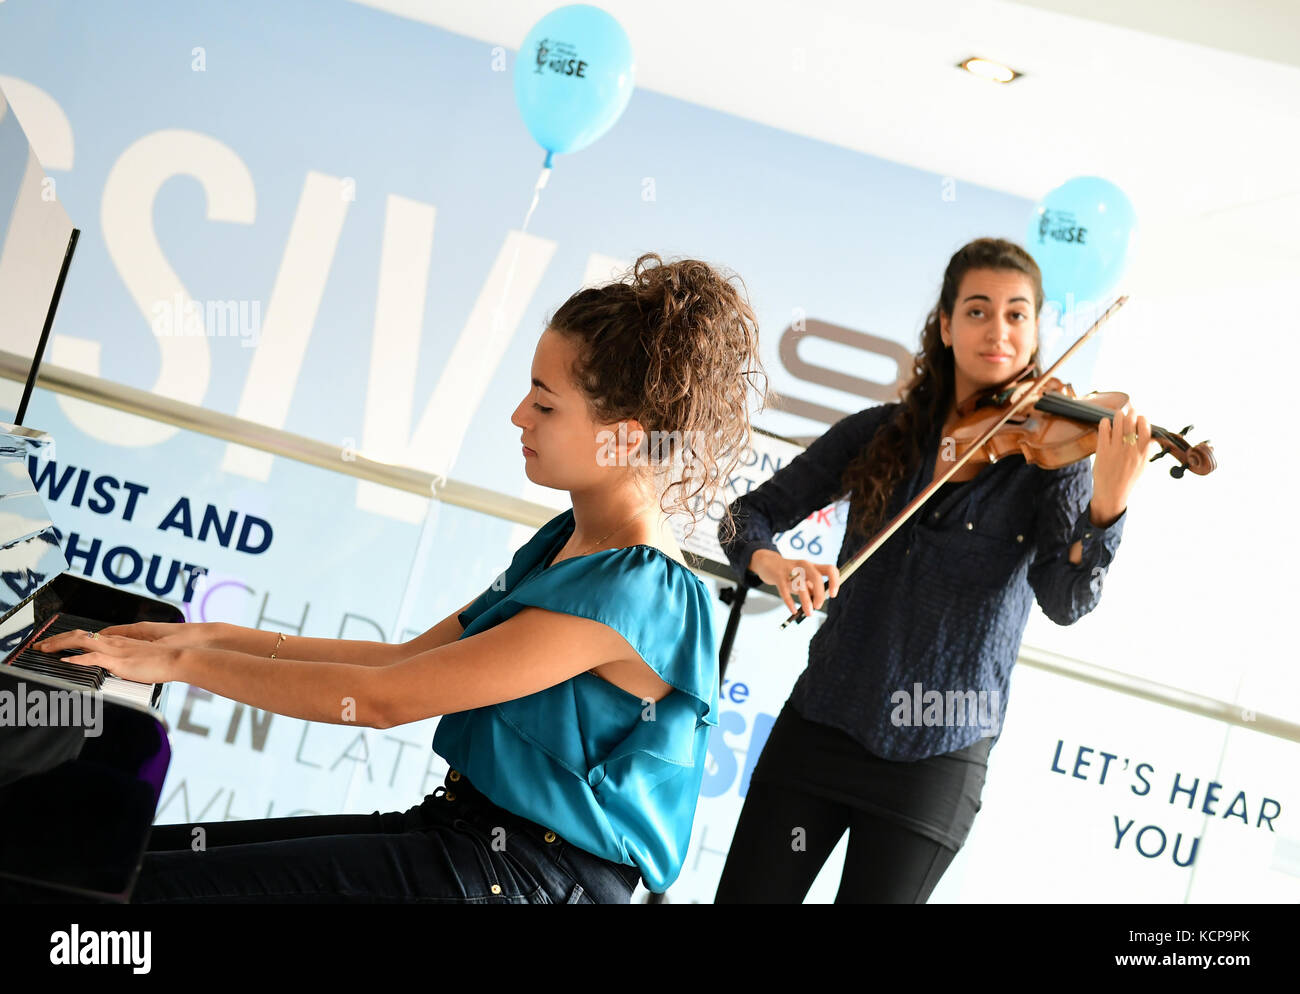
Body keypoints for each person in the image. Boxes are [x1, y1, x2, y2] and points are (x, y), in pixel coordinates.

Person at [38, 252, 768, 904]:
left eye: (545, 404)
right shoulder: (568, 539)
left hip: (526, 883)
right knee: (112, 866)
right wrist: (207, 635)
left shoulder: (638, 590)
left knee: (139, 894)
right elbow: (402, 658)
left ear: (625, 435)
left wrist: (180, 662)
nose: (519, 416)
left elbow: (385, 700)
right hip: (468, 840)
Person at [712, 237, 1153, 904]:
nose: (998, 331)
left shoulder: (1055, 461)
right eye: (977, 311)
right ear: (945, 326)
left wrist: (1108, 504)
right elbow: (744, 516)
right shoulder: (879, 432)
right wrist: (773, 562)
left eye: (1017, 315)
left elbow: (1065, 599)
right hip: (825, 720)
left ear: (1036, 331)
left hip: (939, 756)